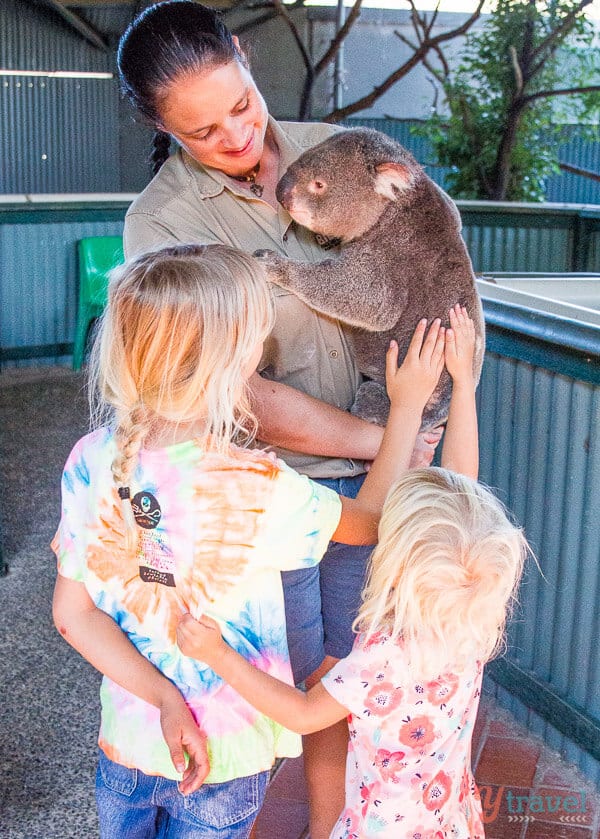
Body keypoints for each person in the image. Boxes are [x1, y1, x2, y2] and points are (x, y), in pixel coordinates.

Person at [116, 4, 444, 832]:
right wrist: (388, 436)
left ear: (243, 54)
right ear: (160, 127)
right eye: (200, 131)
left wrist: (429, 407)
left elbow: (426, 253)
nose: (235, 136)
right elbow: (226, 391)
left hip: (390, 469)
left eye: (240, 104)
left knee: (352, 679)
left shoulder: (339, 152)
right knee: (279, 693)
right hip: (276, 488)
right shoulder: (161, 225)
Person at [52, 243, 450, 838]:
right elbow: (369, 521)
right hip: (224, 754)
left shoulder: (90, 461)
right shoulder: (258, 485)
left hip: (129, 740)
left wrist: (163, 698)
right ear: (231, 364)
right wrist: (408, 407)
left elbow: (71, 617)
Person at [176, 309, 529, 839]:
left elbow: (300, 715)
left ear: (392, 565)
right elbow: (462, 495)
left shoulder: (380, 660)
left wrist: (217, 654)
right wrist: (462, 388)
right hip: (445, 820)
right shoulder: (474, 620)